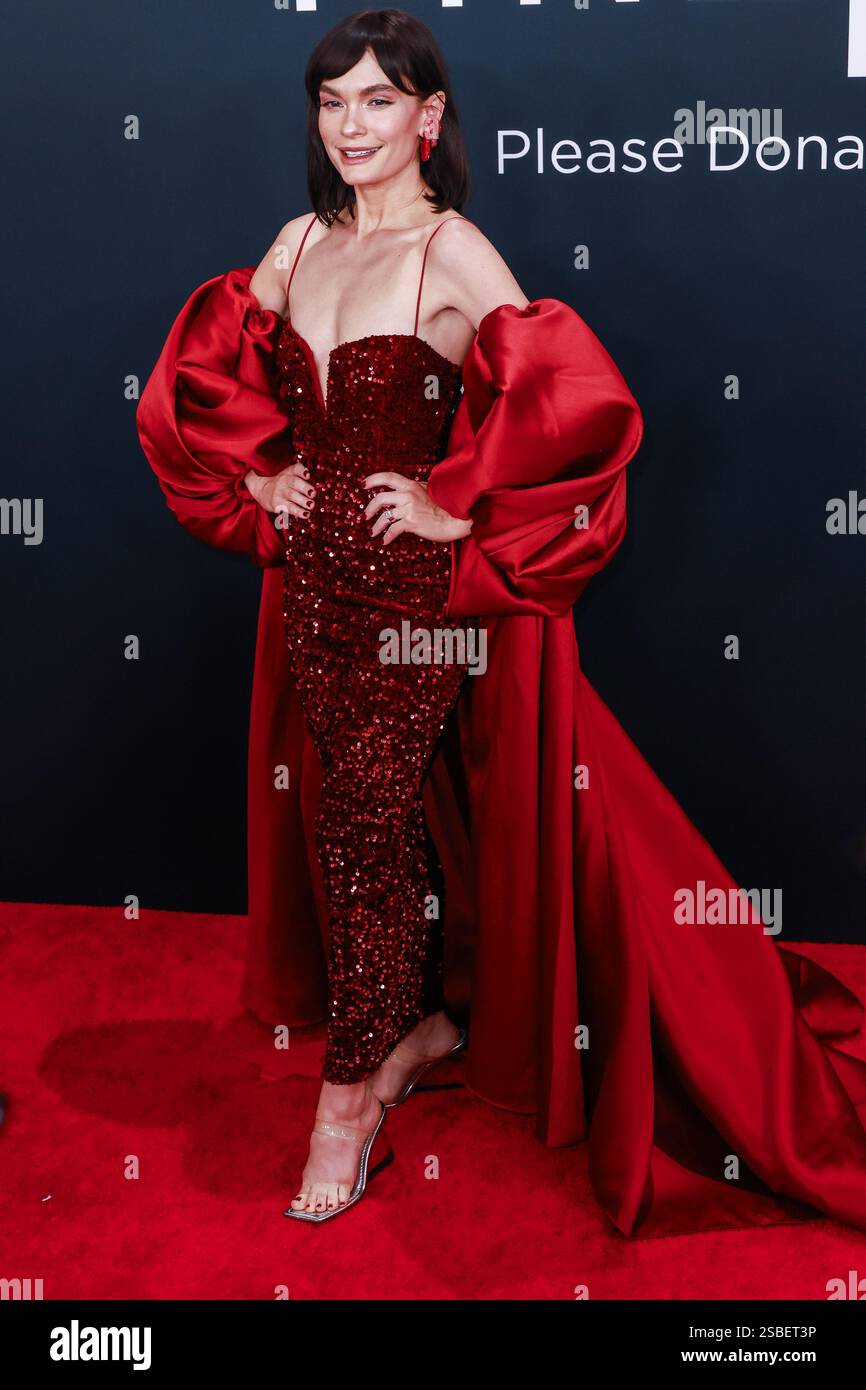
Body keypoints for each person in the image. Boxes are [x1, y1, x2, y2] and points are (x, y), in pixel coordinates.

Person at [137, 8, 866, 1237]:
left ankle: (347, 1101)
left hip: (415, 608)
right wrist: (261, 479)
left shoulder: (452, 251)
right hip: (309, 597)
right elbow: (199, 384)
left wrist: (448, 509)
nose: (350, 125)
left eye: (377, 101)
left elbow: (574, 407)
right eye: (331, 102)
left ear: (428, 117)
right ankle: (419, 1022)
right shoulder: (294, 243)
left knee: (366, 830)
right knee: (350, 829)